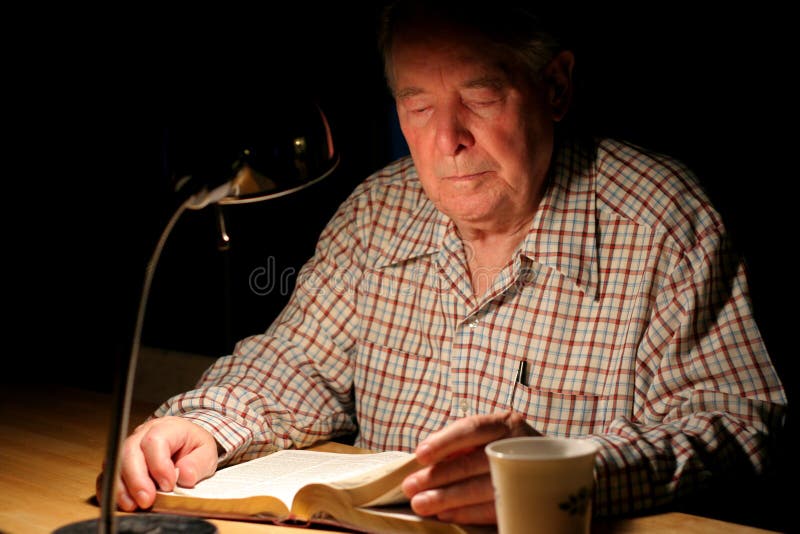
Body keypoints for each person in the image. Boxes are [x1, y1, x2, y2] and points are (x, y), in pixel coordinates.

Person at [102, 0, 786, 525]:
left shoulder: (663, 219)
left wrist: (553, 470)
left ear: (555, 87)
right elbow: (294, 367)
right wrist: (199, 424)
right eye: (418, 105)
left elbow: (733, 423)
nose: (446, 141)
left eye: (481, 98)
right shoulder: (379, 213)